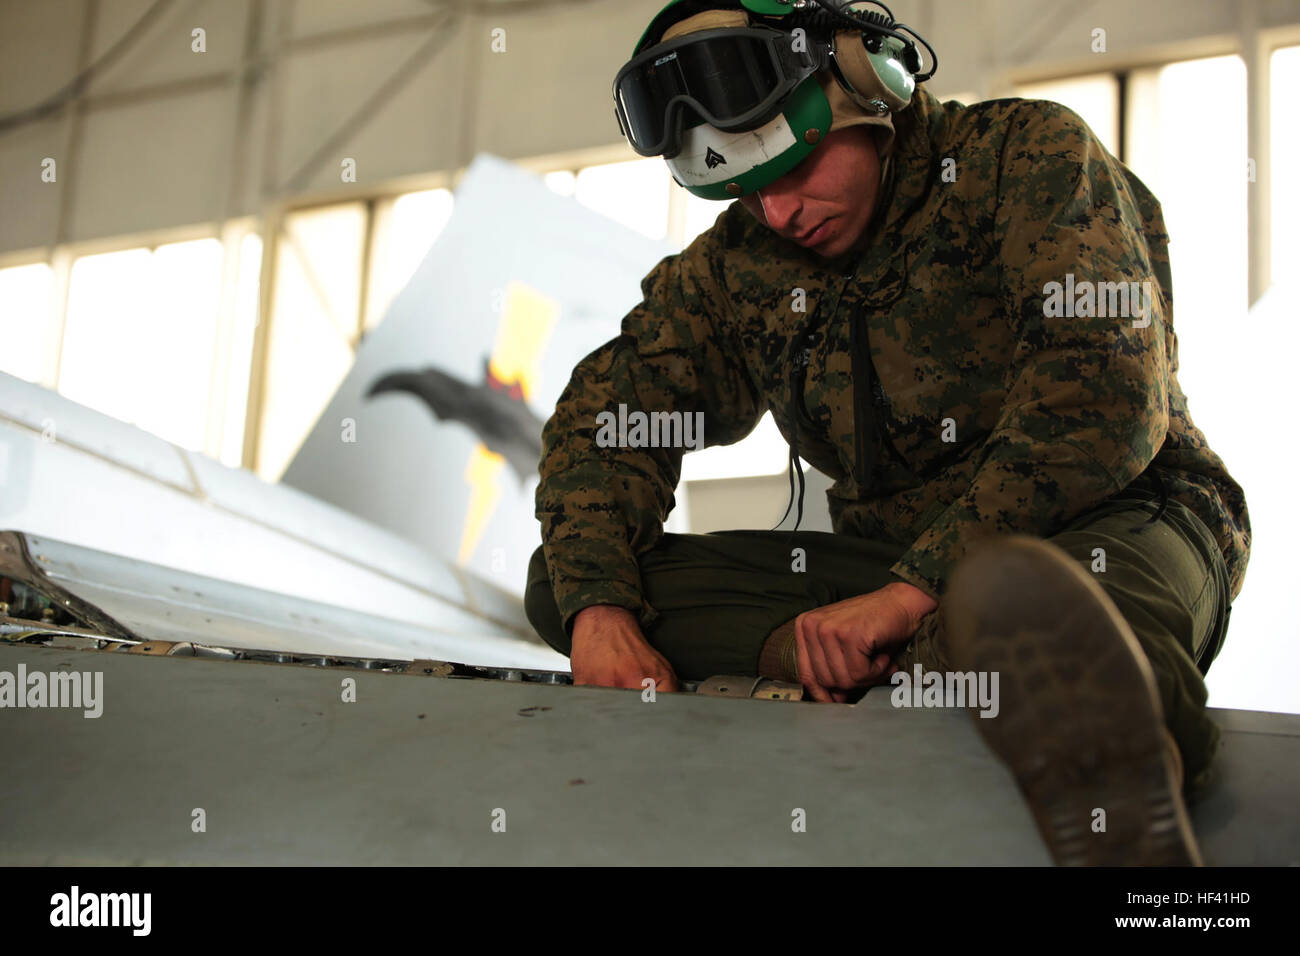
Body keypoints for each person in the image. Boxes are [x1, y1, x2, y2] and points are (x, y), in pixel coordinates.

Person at [525, 0, 1249, 866]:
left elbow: (1102, 401)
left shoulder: (1024, 158)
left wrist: (913, 596)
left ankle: (1115, 786)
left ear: (865, 80)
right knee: (568, 581)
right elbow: (608, 424)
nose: (780, 213)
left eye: (793, 167)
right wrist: (600, 609)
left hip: (1118, 522)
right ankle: (957, 664)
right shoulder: (735, 270)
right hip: (891, 575)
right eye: (748, 191)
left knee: (1064, 615)